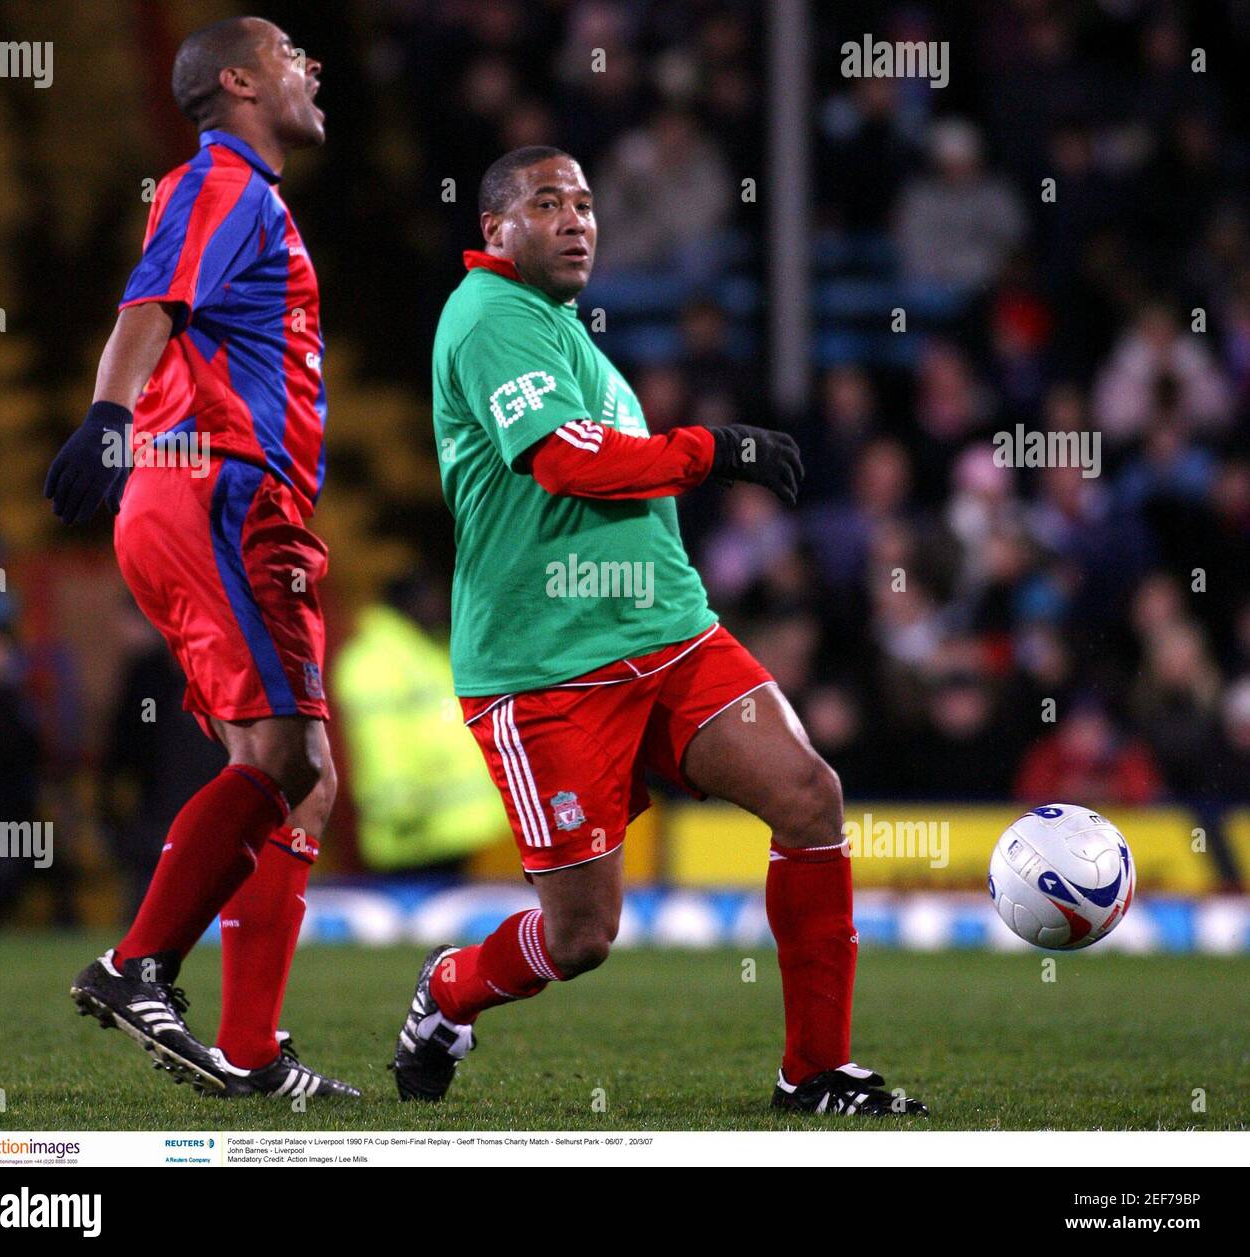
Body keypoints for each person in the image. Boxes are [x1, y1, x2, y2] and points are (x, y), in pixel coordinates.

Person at [395, 145, 927, 1117]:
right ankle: (447, 992)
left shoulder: (563, 331)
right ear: (494, 230)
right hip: (546, 669)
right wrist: (714, 448)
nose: (576, 220)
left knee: (810, 798)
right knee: (580, 938)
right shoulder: (486, 319)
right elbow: (563, 461)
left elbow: (613, 473)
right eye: (547, 202)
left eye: (587, 205)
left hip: (668, 633)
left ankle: (814, 1073)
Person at [45, 17, 356, 1100]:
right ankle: (137, 966)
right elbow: (155, 297)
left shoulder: (247, 198)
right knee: (289, 759)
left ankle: (254, 1053)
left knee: (295, 785)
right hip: (219, 491)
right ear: (237, 81)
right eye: (289, 52)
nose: (313, 65)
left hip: (193, 499)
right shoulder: (223, 182)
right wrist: (107, 417)